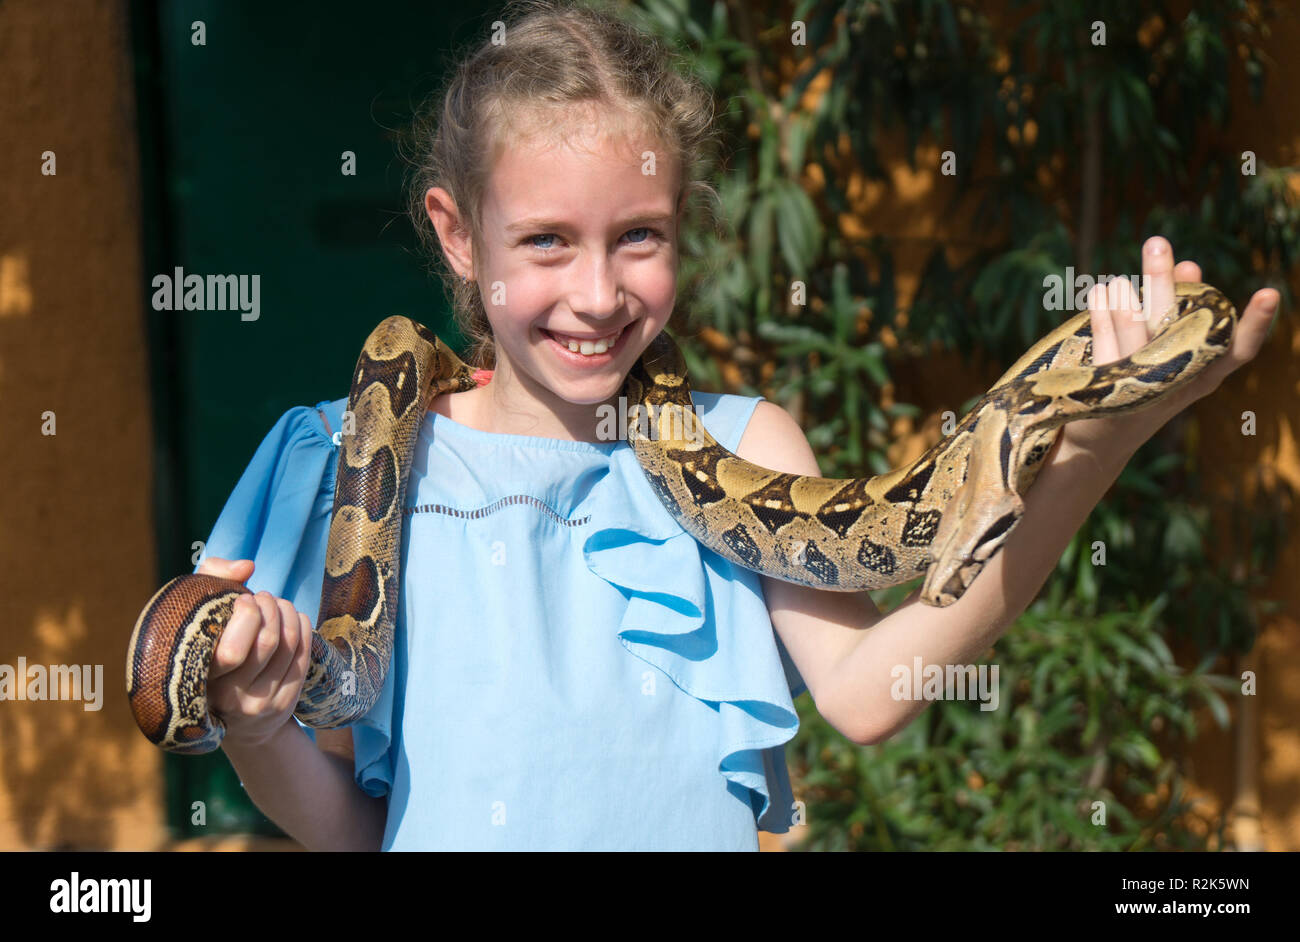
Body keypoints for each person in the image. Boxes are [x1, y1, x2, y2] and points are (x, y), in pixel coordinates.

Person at [193, 0, 1280, 851]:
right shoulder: (347, 464)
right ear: (457, 235)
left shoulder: (744, 444)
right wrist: (250, 718)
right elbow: (349, 827)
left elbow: (870, 694)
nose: (597, 292)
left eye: (639, 237)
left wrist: (1096, 441)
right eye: (545, 242)